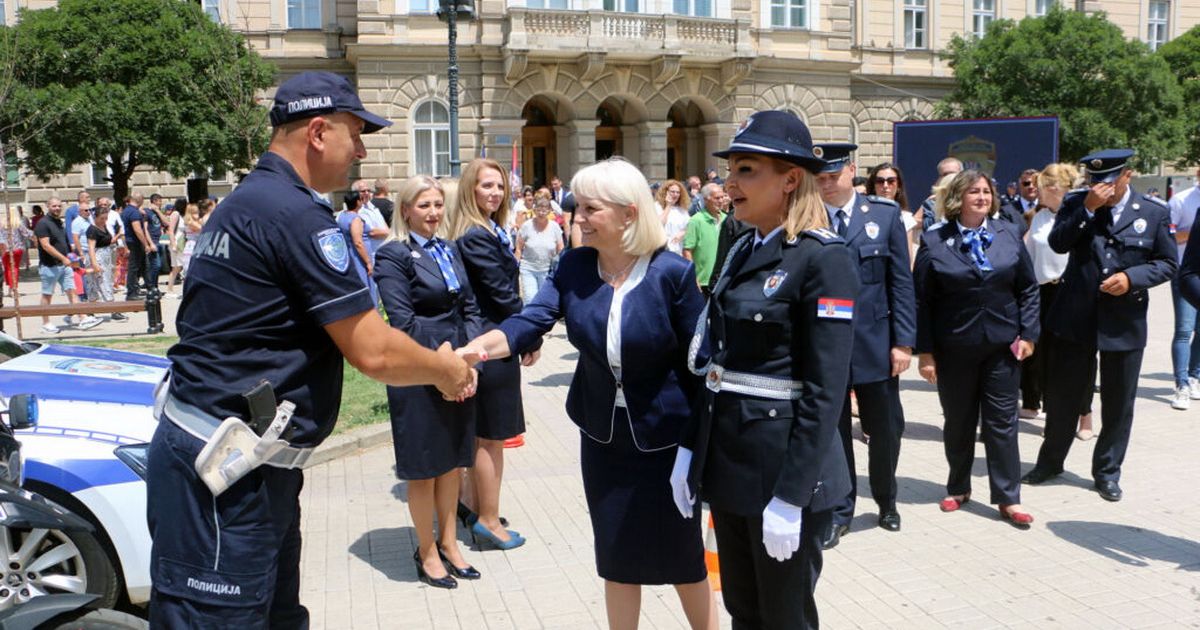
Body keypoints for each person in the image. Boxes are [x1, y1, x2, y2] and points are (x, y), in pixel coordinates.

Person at [146, 71, 477, 627]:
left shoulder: (246, 202)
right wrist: (443, 368)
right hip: (225, 478)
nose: (362, 150)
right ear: (319, 132)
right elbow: (373, 351)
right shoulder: (295, 214)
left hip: (237, 465)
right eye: (357, 134)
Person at [464, 157, 718, 630]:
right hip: (603, 437)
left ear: (628, 213)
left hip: (667, 441)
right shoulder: (577, 266)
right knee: (616, 552)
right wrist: (476, 350)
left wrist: (697, 445)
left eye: (588, 209)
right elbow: (530, 320)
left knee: (682, 554)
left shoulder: (671, 274)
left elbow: (700, 366)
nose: (575, 217)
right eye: (576, 207)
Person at [674, 110, 857, 629]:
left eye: (746, 170)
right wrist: (692, 448)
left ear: (790, 179)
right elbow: (717, 363)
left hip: (784, 472)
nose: (729, 184)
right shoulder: (742, 247)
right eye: (730, 170)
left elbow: (826, 390)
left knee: (785, 617)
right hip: (732, 466)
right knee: (744, 611)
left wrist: (791, 496)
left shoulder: (823, 259)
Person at [1022, 149, 1177, 503]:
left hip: (1123, 321)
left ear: (1127, 176)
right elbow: (1058, 242)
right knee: (1062, 397)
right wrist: (1089, 208)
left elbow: (1168, 263)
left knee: (1118, 401)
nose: (1100, 186)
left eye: (1107, 180)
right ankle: (1050, 462)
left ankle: (1106, 471)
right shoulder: (1078, 203)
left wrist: (1132, 277)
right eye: (1094, 180)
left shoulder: (1153, 213)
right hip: (1075, 317)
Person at [374, 175, 485, 590]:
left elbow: (471, 305)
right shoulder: (393, 256)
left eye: (438, 205)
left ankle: (450, 543)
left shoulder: (449, 248)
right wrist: (442, 366)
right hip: (417, 364)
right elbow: (402, 321)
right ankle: (426, 550)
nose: (434, 213)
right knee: (424, 468)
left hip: (457, 358)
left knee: (453, 460)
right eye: (424, 206)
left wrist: (469, 355)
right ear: (405, 209)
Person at [914, 170, 1039, 528]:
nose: (982, 197)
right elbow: (923, 300)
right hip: (955, 347)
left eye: (986, 191)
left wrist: (1028, 335)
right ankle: (958, 487)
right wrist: (926, 352)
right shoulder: (935, 239)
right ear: (958, 198)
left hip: (1002, 346)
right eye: (974, 192)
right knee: (958, 422)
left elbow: (1028, 289)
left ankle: (1008, 497)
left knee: (1002, 423)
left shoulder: (1008, 233)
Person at [813, 142, 915, 547]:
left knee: (885, 430)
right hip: (825, 346)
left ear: (851, 170)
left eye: (832, 176)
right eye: (818, 178)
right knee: (833, 433)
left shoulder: (883, 215)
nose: (826, 184)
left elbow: (900, 285)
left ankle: (887, 499)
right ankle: (841, 509)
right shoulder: (808, 217)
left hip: (875, 342)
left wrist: (904, 343)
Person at [444, 157, 531, 550]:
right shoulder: (476, 234)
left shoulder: (489, 229)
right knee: (491, 438)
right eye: (486, 186)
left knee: (485, 436)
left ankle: (479, 508)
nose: (494, 193)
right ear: (469, 190)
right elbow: (502, 294)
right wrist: (531, 334)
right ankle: (489, 520)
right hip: (492, 342)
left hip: (488, 341)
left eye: (499, 186)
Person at [1020, 163, 1094, 440]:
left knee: (1079, 357)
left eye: (1038, 188)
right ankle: (1054, 417)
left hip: (1072, 292)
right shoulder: (1039, 217)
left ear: (1052, 189)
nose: (1034, 193)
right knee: (1047, 358)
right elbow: (1028, 255)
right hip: (1043, 293)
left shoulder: (1079, 214)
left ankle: (1085, 418)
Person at [1167, 166, 1200, 409]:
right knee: (1184, 329)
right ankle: (1181, 385)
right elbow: (1169, 236)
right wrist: (1194, 232)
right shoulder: (1181, 200)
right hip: (1185, 273)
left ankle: (1194, 376)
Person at [33, 198, 82, 334]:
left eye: (59, 206)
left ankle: (82, 318)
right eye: (54, 206)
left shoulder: (59, 222)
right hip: (49, 266)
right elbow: (45, 245)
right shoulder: (43, 223)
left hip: (64, 265)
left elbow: (64, 243)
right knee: (47, 295)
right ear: (47, 206)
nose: (57, 208)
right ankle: (46, 323)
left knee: (72, 291)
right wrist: (63, 258)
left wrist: (72, 257)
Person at [682, 183, 728, 294]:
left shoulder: (726, 219)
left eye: (722, 197)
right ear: (706, 199)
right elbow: (687, 251)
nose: (721, 201)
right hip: (703, 282)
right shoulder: (696, 220)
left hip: (723, 279)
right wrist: (694, 277)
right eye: (717, 198)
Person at [515, 198, 563, 303]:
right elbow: (518, 248)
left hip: (547, 269)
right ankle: (529, 318)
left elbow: (560, 248)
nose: (541, 213)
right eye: (538, 210)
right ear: (534, 210)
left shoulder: (554, 227)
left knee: (544, 300)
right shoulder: (527, 226)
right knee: (530, 299)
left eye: (544, 210)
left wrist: (562, 267)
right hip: (528, 268)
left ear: (549, 211)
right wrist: (515, 266)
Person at [338, 191, 377, 304]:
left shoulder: (342, 215)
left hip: (349, 255)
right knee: (365, 286)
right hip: (358, 258)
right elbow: (358, 242)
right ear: (357, 202)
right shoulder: (355, 219)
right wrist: (368, 262)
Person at [121, 193, 155, 299]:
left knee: (144, 265)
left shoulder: (126, 211)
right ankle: (131, 293)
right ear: (140, 200)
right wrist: (145, 244)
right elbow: (137, 229)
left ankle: (151, 288)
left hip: (130, 241)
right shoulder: (134, 212)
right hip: (135, 242)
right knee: (134, 268)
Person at [919, 157, 963, 232]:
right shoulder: (931, 202)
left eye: (952, 173)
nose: (949, 177)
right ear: (940, 178)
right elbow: (928, 228)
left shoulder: (970, 197)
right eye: (945, 174)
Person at [657, 179, 691, 256]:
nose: (675, 194)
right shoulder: (657, 207)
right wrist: (668, 205)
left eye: (678, 192)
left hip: (678, 250)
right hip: (662, 250)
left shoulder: (682, 210)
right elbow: (659, 224)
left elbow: (690, 226)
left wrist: (683, 233)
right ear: (666, 192)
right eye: (672, 192)